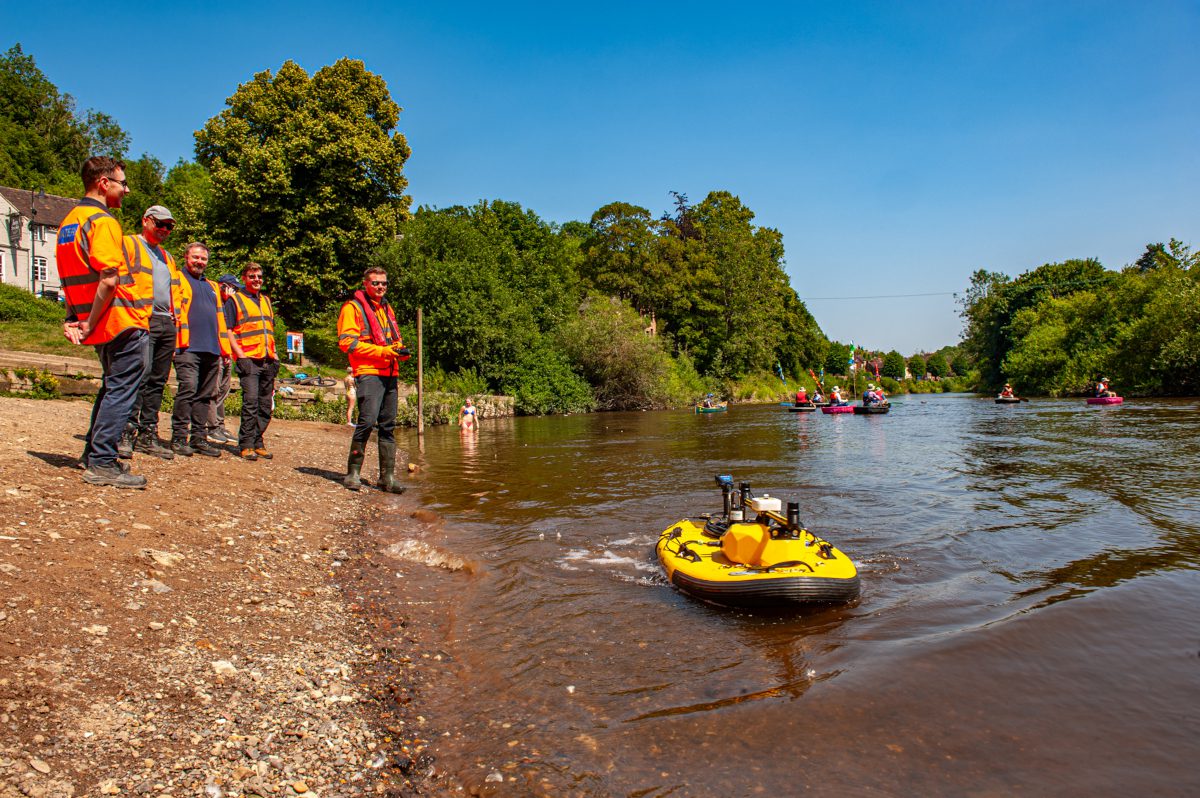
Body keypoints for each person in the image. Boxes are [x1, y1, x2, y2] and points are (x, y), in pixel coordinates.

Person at [56, 156, 150, 488]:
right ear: (103, 183)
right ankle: (102, 463)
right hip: (120, 320)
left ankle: (93, 455)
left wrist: (77, 318)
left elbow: (71, 278)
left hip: (100, 324)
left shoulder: (69, 223)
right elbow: (109, 279)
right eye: (122, 183)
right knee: (122, 390)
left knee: (112, 387)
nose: (126, 190)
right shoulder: (103, 221)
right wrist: (90, 322)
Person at [117, 206, 182, 460]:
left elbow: (174, 291)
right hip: (141, 318)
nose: (165, 230)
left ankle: (148, 434)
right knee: (139, 377)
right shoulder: (129, 244)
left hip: (166, 322)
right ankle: (126, 432)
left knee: (158, 380)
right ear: (146, 221)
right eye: (161, 224)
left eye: (169, 226)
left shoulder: (167, 257)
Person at [338, 266, 409, 492]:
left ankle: (386, 478)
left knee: (388, 426)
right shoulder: (352, 308)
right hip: (369, 372)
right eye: (376, 283)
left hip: (390, 373)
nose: (380, 287)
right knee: (367, 422)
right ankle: (353, 473)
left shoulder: (387, 308)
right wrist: (384, 352)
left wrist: (399, 350)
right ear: (365, 284)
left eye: (384, 283)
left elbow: (392, 339)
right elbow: (347, 343)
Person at [169, 243, 226, 457]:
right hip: (188, 346)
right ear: (186, 257)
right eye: (195, 257)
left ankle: (199, 438)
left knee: (205, 395)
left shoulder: (212, 286)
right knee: (188, 390)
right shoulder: (177, 278)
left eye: (203, 259)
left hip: (211, 348)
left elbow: (221, 318)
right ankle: (179, 437)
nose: (199, 262)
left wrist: (224, 350)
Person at [225, 263, 279, 461]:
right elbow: (228, 330)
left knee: (265, 404)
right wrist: (240, 355)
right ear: (244, 278)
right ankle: (246, 443)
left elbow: (269, 331)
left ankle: (258, 441)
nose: (256, 279)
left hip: (267, 359)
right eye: (252, 276)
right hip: (249, 359)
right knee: (250, 402)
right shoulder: (235, 300)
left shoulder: (266, 300)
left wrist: (275, 356)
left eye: (259, 276)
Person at [205, 276, 240, 443]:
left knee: (223, 391)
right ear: (223, 286)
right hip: (217, 352)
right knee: (213, 390)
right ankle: (210, 427)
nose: (234, 293)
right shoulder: (215, 303)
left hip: (227, 353)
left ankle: (219, 425)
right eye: (232, 288)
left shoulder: (227, 305)